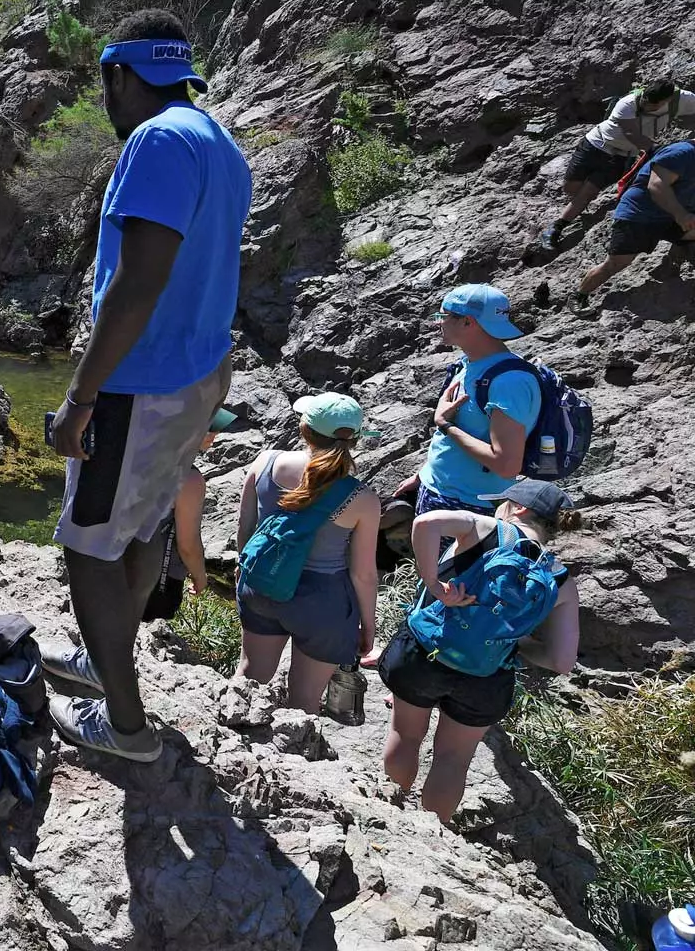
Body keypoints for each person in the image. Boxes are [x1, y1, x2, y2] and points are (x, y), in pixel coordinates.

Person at [39, 9, 253, 762]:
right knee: (139, 526)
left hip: (140, 382)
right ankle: (106, 663)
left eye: (106, 84)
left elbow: (138, 283)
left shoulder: (156, 140)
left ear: (121, 74)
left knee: (89, 547)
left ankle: (125, 727)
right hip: (195, 373)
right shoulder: (220, 142)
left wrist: (82, 396)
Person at [370, 479, 581, 822]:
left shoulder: (486, 528)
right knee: (453, 759)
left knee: (406, 735)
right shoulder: (560, 579)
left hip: (424, 655)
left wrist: (433, 585)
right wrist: (516, 642)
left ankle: (390, 817)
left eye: (503, 501)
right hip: (485, 678)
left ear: (520, 509)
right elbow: (561, 661)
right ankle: (433, 833)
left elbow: (425, 522)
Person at [233, 394, 381, 713]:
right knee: (304, 701)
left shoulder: (265, 462)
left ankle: (232, 734)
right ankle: (291, 759)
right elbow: (363, 574)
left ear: (304, 430)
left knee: (249, 679)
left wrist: (246, 574)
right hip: (322, 604)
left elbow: (245, 531)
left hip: (262, 584)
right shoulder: (362, 498)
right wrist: (368, 625)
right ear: (354, 440)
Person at [399, 283, 540, 519]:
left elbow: (506, 464)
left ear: (468, 322)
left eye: (443, 315)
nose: (438, 322)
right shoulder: (470, 364)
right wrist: (424, 475)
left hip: (469, 507)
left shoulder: (509, 383)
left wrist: (445, 424)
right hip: (442, 491)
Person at [537, 79, 692, 252]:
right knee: (570, 188)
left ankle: (555, 229)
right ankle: (576, 204)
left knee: (587, 193)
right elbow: (631, 133)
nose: (648, 108)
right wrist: (658, 150)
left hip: (620, 158)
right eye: (646, 104)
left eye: (655, 106)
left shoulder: (682, 100)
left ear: (668, 101)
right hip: (595, 145)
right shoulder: (626, 103)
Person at [141, 407, 236, 620]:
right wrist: (200, 576)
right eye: (209, 429)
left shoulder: (143, 456)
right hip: (157, 575)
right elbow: (188, 544)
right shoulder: (189, 479)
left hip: (117, 562)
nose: (215, 435)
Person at [577, 139, 695, 300]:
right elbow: (657, 186)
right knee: (617, 263)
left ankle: (671, 262)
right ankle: (579, 295)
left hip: (668, 218)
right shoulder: (682, 153)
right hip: (638, 215)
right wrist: (681, 214)